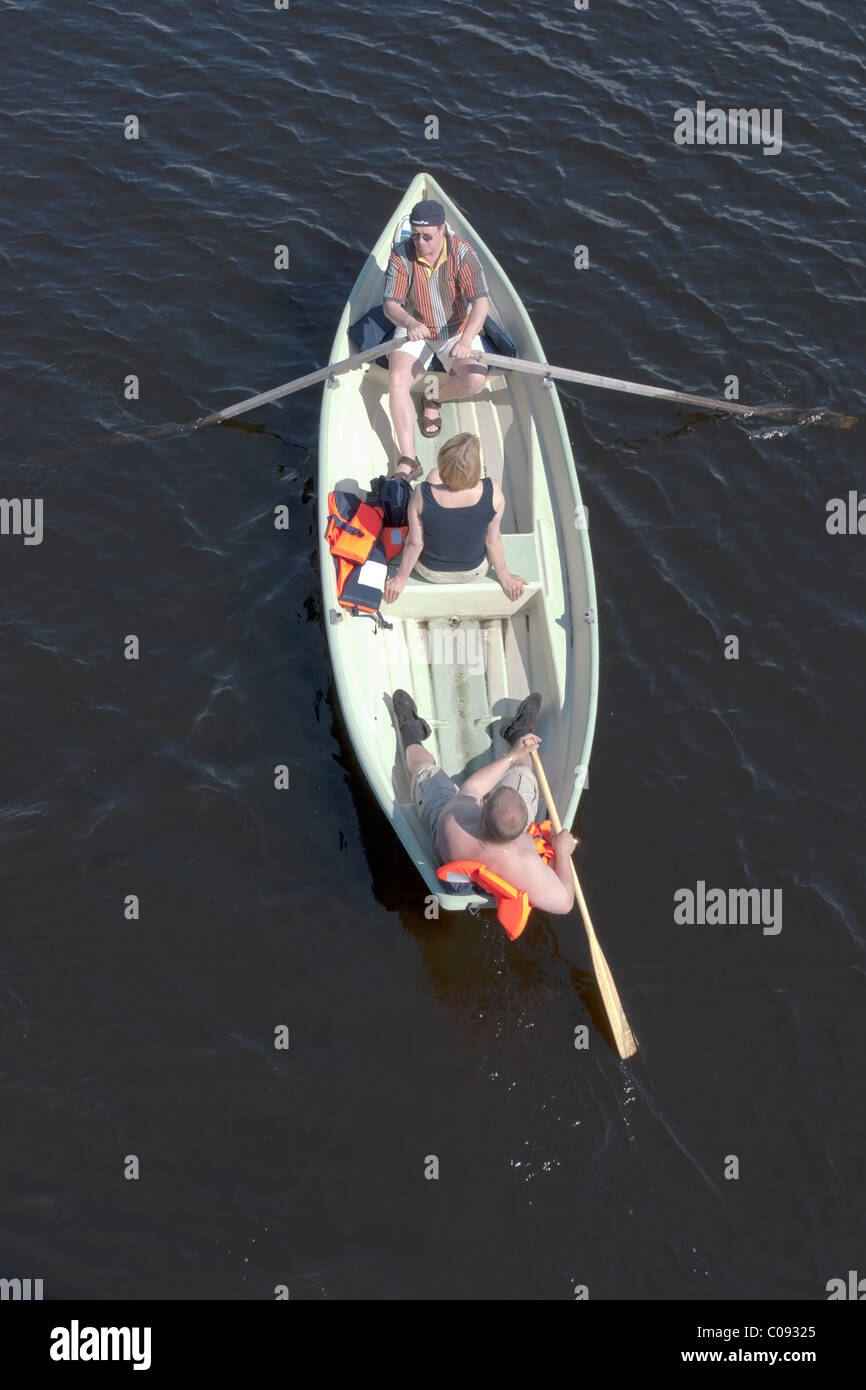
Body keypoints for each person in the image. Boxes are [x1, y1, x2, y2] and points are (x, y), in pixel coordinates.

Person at [392, 690, 577, 915]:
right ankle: (520, 734)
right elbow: (566, 903)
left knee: (424, 770)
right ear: (523, 828)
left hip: (442, 830)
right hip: (505, 866)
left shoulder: (456, 819)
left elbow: (472, 789)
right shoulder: (527, 865)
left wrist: (510, 757)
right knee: (525, 772)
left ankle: (411, 732)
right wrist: (563, 851)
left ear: (483, 811)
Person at [383, 198, 490, 480]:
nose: (420, 242)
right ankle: (409, 458)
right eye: (416, 235)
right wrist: (409, 322)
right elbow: (391, 305)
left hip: (455, 331)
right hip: (416, 328)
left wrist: (466, 340)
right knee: (396, 381)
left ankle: (433, 398)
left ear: (443, 230)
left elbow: (481, 303)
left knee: (476, 379)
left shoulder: (464, 254)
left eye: (427, 236)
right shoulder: (401, 253)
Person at [383, 433, 526, 602]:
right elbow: (492, 540)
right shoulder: (494, 492)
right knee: (436, 477)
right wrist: (504, 575)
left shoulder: (421, 494)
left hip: (431, 572)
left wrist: (400, 578)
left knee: (432, 475)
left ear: (444, 464)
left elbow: (415, 543)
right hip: (474, 571)